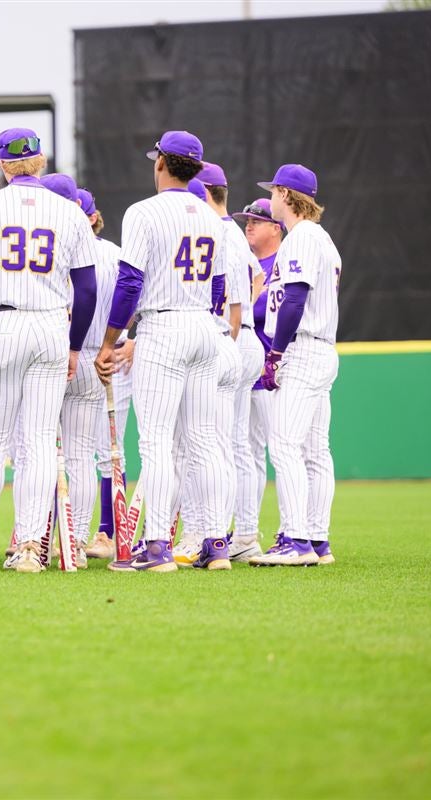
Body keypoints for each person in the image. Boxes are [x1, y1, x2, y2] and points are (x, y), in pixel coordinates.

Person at [0, 128, 98, 573]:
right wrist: (74, 346)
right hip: (52, 323)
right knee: (38, 442)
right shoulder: (68, 211)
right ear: (40, 160)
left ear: (2, 163)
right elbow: (87, 288)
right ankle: (31, 547)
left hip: (5, 321)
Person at [95, 131, 229, 573]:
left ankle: (156, 548)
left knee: (155, 441)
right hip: (204, 327)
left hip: (165, 326)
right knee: (204, 440)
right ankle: (216, 543)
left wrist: (111, 340)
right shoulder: (212, 217)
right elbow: (220, 288)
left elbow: (131, 281)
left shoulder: (143, 212)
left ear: (161, 164)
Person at [249, 164, 341, 567]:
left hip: (302, 349)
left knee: (285, 445)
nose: (270, 197)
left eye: (274, 191)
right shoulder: (323, 239)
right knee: (315, 451)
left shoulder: (302, 237)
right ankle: (318, 540)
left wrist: (276, 353)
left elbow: (296, 298)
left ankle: (297, 540)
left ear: (286, 194)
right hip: (322, 350)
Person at [172, 164, 252, 567]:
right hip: (222, 343)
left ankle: (203, 534)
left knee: (197, 448)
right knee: (218, 447)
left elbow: (233, 311)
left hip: (211, 341)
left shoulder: (216, 232)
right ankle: (217, 535)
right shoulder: (232, 234)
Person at [39, 173, 100, 569]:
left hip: (50, 345)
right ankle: (74, 541)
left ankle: (37, 538)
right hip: (95, 356)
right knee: (82, 455)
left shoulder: (44, 239)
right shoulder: (107, 251)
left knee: (37, 445)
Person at [231, 196, 284, 560]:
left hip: (273, 371)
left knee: (280, 452)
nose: (248, 225)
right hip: (247, 368)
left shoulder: (280, 262)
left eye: (257, 220)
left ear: (275, 227)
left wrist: (249, 298)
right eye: (247, 220)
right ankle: (245, 533)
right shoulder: (246, 259)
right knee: (245, 452)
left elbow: (266, 308)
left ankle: (293, 532)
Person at [77, 188, 129, 561]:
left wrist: (129, 339)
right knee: (73, 450)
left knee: (108, 451)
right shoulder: (59, 251)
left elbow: (138, 293)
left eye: (85, 214)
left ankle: (110, 532)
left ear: (95, 218)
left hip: (108, 354)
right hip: (77, 356)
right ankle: (57, 530)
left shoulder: (112, 253)